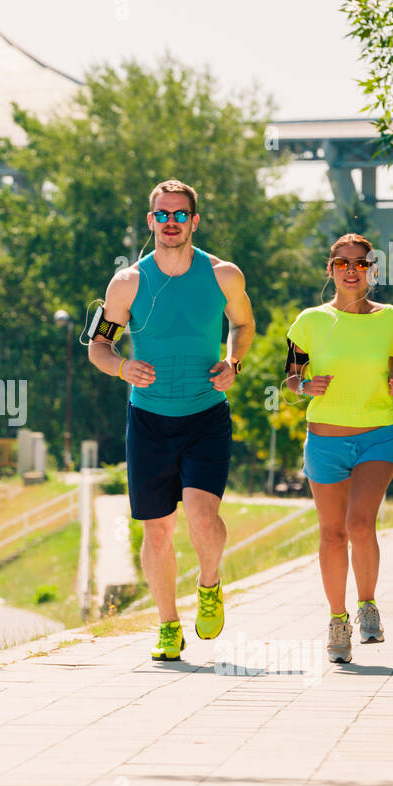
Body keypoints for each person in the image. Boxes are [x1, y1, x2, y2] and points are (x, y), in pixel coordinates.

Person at [87, 179, 255, 661]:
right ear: (150, 220)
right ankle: (167, 626)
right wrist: (121, 366)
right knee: (156, 529)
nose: (171, 223)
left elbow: (243, 325)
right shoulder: (127, 283)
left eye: (180, 215)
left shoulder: (223, 275)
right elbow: (99, 346)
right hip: (149, 421)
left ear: (194, 221)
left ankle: (209, 584)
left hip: (206, 414)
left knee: (204, 518)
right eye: (162, 215)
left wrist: (234, 363)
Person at [284, 234, 393, 663]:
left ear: (372, 268)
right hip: (325, 440)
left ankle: (367, 604)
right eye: (342, 263)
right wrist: (303, 384)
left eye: (360, 263)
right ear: (330, 269)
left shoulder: (390, 318)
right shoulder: (309, 321)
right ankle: (338, 621)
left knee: (359, 524)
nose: (351, 270)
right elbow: (289, 380)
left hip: (376, 434)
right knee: (332, 533)